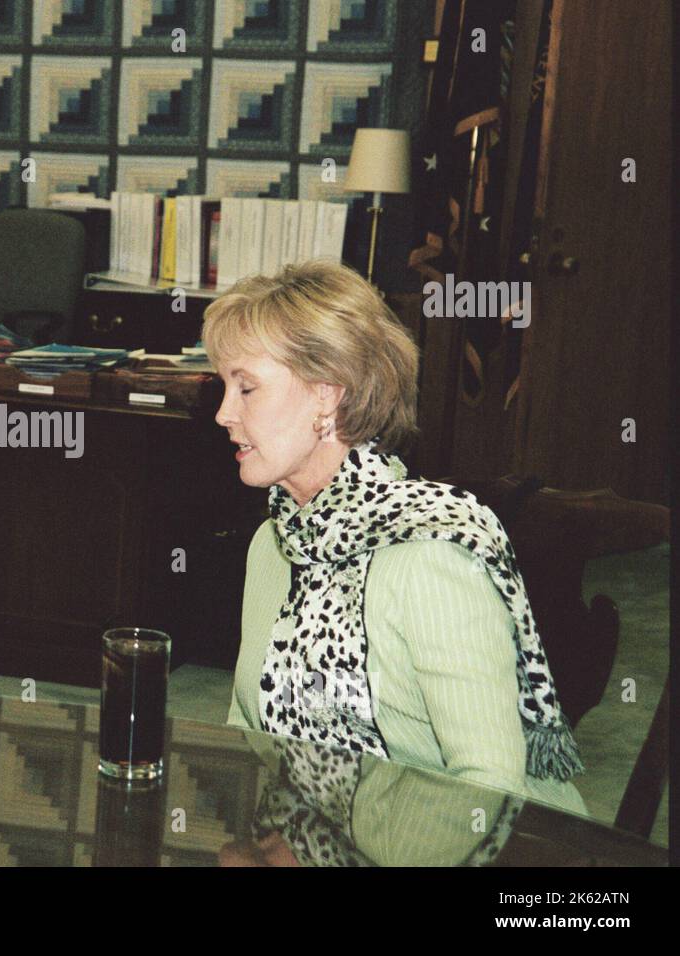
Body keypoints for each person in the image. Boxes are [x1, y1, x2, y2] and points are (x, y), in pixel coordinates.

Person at [205, 259, 586, 816]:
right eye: (223, 387)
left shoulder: (432, 555)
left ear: (326, 395)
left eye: (246, 388)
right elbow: (251, 732)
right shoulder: (274, 542)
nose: (222, 413)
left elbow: (487, 792)